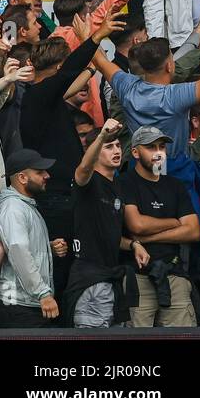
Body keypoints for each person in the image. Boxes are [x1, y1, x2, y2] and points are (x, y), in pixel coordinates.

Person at [116, 127, 200, 327]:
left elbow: (193, 231)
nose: (158, 152)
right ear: (135, 152)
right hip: (137, 276)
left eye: (162, 146)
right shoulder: (125, 182)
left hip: (174, 274)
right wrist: (174, 222)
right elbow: (137, 225)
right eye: (151, 147)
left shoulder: (175, 185)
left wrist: (146, 239)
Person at [65, 119, 134, 328]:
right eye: (108, 146)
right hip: (90, 281)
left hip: (112, 279)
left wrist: (133, 245)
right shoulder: (89, 180)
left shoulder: (117, 184)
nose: (116, 150)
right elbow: (83, 169)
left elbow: (108, 234)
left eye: (118, 145)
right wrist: (102, 135)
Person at [0, 148, 65, 328]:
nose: (47, 175)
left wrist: (48, 249)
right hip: (17, 305)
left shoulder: (23, 205)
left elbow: (19, 247)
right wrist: (43, 294)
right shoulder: (13, 208)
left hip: (23, 303)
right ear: (22, 178)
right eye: (40, 172)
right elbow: (18, 249)